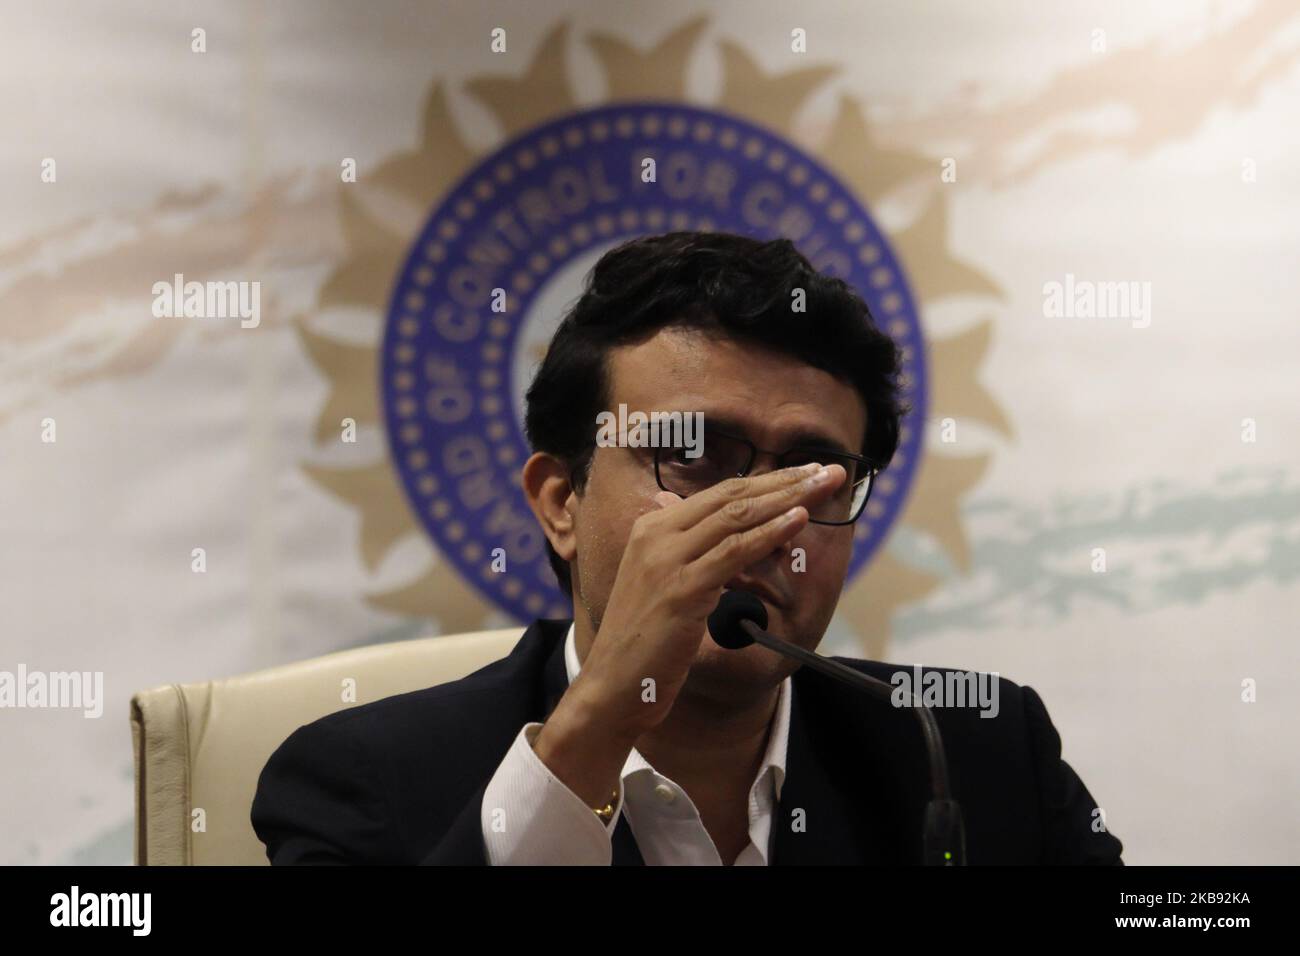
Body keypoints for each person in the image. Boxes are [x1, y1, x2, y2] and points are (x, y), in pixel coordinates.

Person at [252, 231, 1123, 865]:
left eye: (813, 474)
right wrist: (594, 728)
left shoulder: (967, 749)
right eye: (696, 460)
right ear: (562, 501)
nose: (766, 523)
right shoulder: (365, 783)